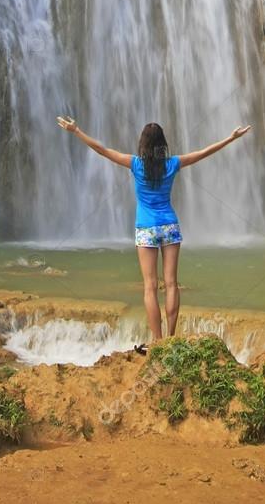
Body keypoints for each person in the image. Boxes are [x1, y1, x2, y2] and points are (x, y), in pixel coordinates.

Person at [56, 116, 251, 342]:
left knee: (150, 287)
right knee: (171, 284)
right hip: (169, 226)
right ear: (163, 144)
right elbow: (203, 153)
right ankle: (170, 338)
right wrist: (230, 138)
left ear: (143, 143)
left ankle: (157, 341)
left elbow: (102, 150)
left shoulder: (135, 164)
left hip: (146, 228)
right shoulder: (172, 164)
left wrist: (76, 131)